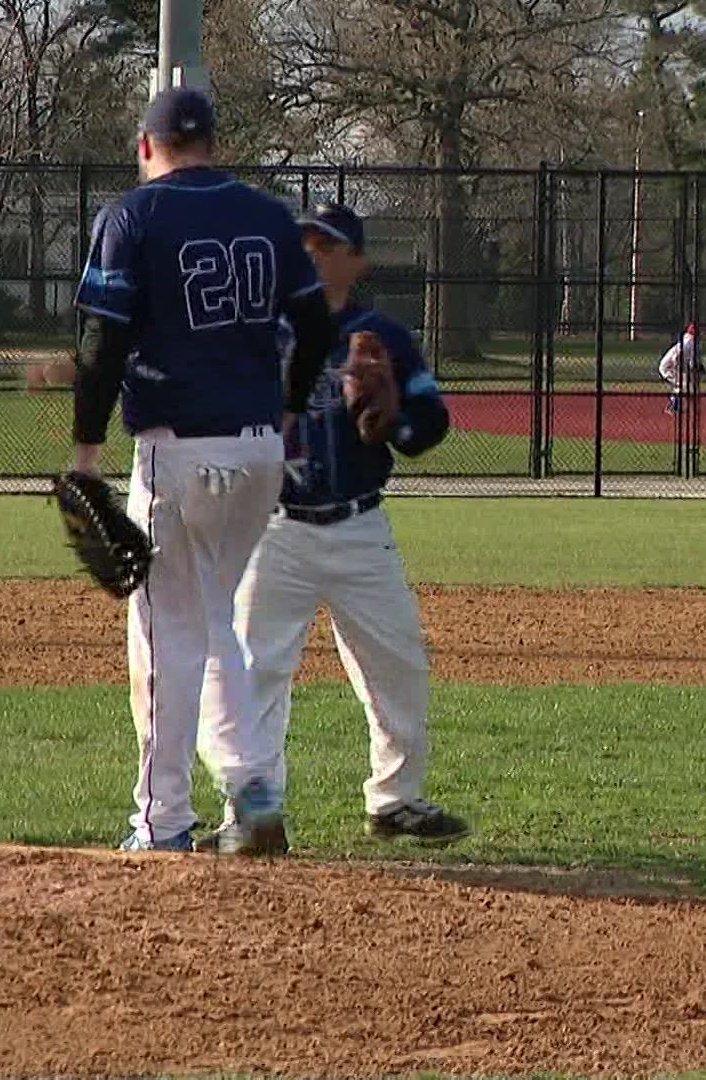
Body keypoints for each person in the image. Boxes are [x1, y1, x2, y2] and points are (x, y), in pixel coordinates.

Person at [69, 86, 334, 856]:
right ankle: (253, 794)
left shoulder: (133, 216)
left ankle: (161, 822)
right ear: (212, 143)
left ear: (147, 148)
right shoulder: (266, 215)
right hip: (256, 453)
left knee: (163, 639)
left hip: (176, 450)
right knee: (213, 623)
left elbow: (101, 342)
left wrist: (87, 450)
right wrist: (285, 409)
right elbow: (315, 326)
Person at [226, 202, 470, 851]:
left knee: (398, 666)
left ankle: (395, 800)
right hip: (273, 529)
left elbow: (431, 425)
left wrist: (396, 422)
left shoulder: (381, 336)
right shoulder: (261, 330)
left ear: (354, 261)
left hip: (360, 526)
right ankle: (253, 812)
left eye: (326, 245)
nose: (311, 254)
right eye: (303, 243)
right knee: (256, 673)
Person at [658, 322, 701, 415]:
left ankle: (674, 404)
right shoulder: (689, 342)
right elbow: (676, 357)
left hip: (671, 366)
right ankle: (673, 407)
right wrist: (680, 367)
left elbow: (690, 360)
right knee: (682, 385)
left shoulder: (689, 340)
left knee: (682, 385)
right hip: (668, 367)